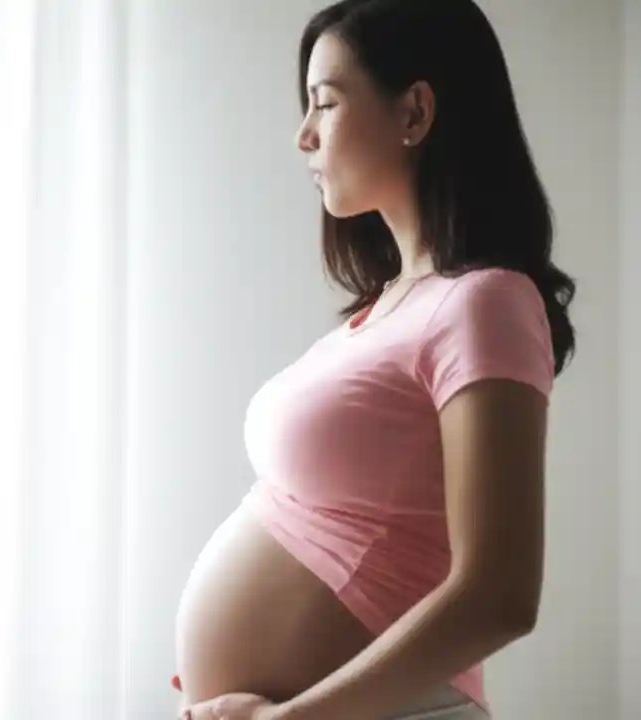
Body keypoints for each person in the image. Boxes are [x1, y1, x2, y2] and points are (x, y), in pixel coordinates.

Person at [173, 1, 576, 718]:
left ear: (415, 112)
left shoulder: (486, 302)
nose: (303, 136)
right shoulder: (386, 308)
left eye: (324, 103)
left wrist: (289, 717)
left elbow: (501, 595)